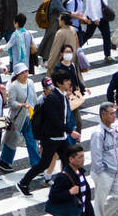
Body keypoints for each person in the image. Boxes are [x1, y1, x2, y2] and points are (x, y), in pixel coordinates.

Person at [18, 66, 81, 195]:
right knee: (44, 164)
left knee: (67, 160)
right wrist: (71, 131)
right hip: (51, 138)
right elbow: (55, 121)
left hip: (60, 137)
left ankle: (69, 184)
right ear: (59, 83)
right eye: (66, 81)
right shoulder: (52, 98)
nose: (69, 83)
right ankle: (23, 182)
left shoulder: (60, 96)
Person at [87, 103, 118, 216]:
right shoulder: (98, 134)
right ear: (103, 115)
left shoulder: (113, 130)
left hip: (114, 171)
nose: (114, 116)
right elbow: (96, 156)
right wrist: (101, 172)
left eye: (114, 113)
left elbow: (116, 149)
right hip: (103, 172)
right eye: (111, 113)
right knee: (100, 200)